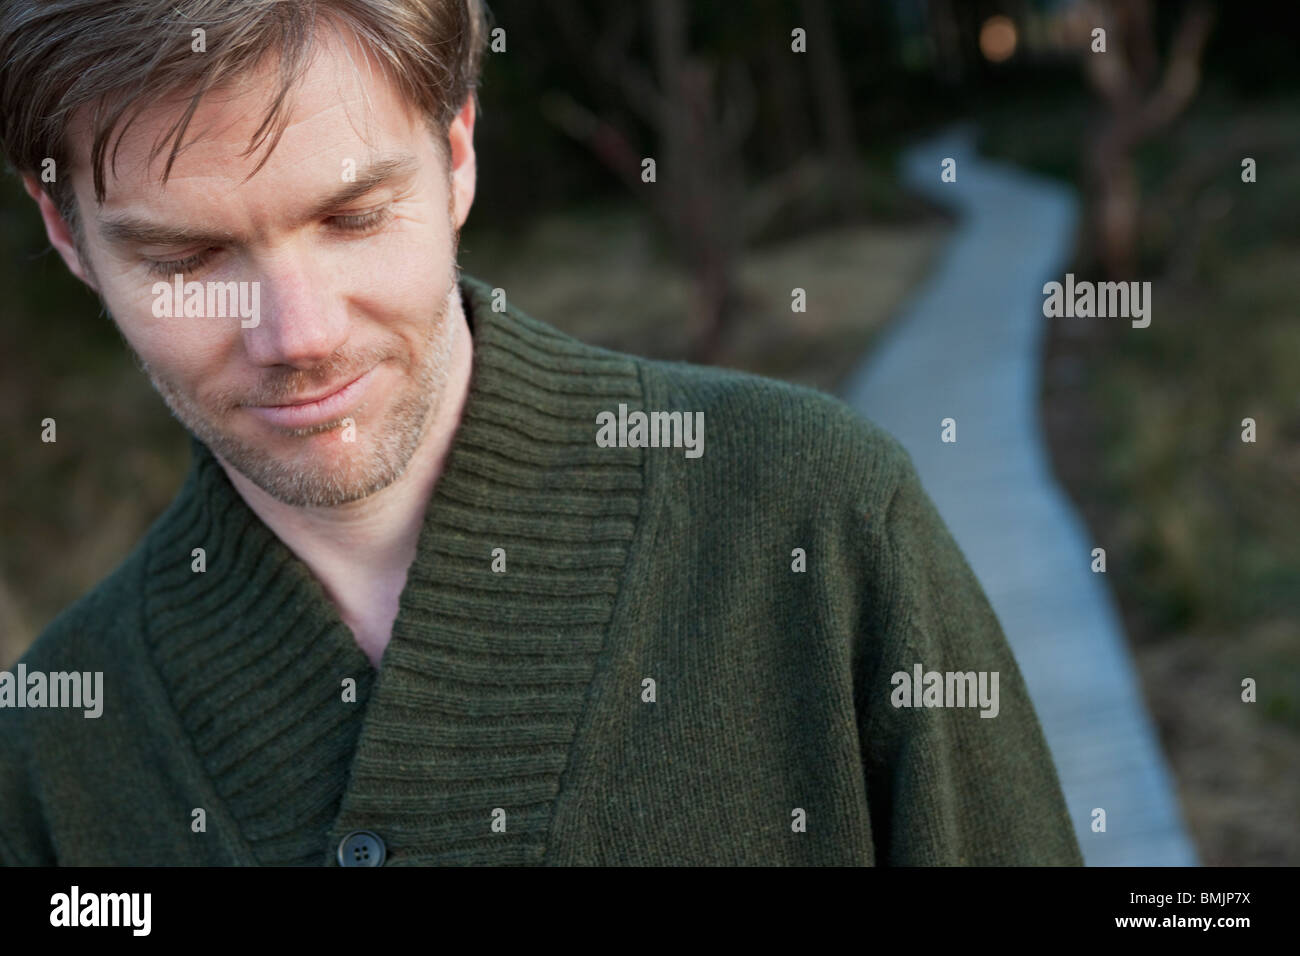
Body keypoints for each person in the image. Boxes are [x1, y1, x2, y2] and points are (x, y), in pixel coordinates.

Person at [0, 0, 1082, 866]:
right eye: (187, 261)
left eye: (354, 217)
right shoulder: (50, 751)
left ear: (458, 149)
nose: (299, 334)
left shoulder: (819, 516)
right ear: (70, 237)